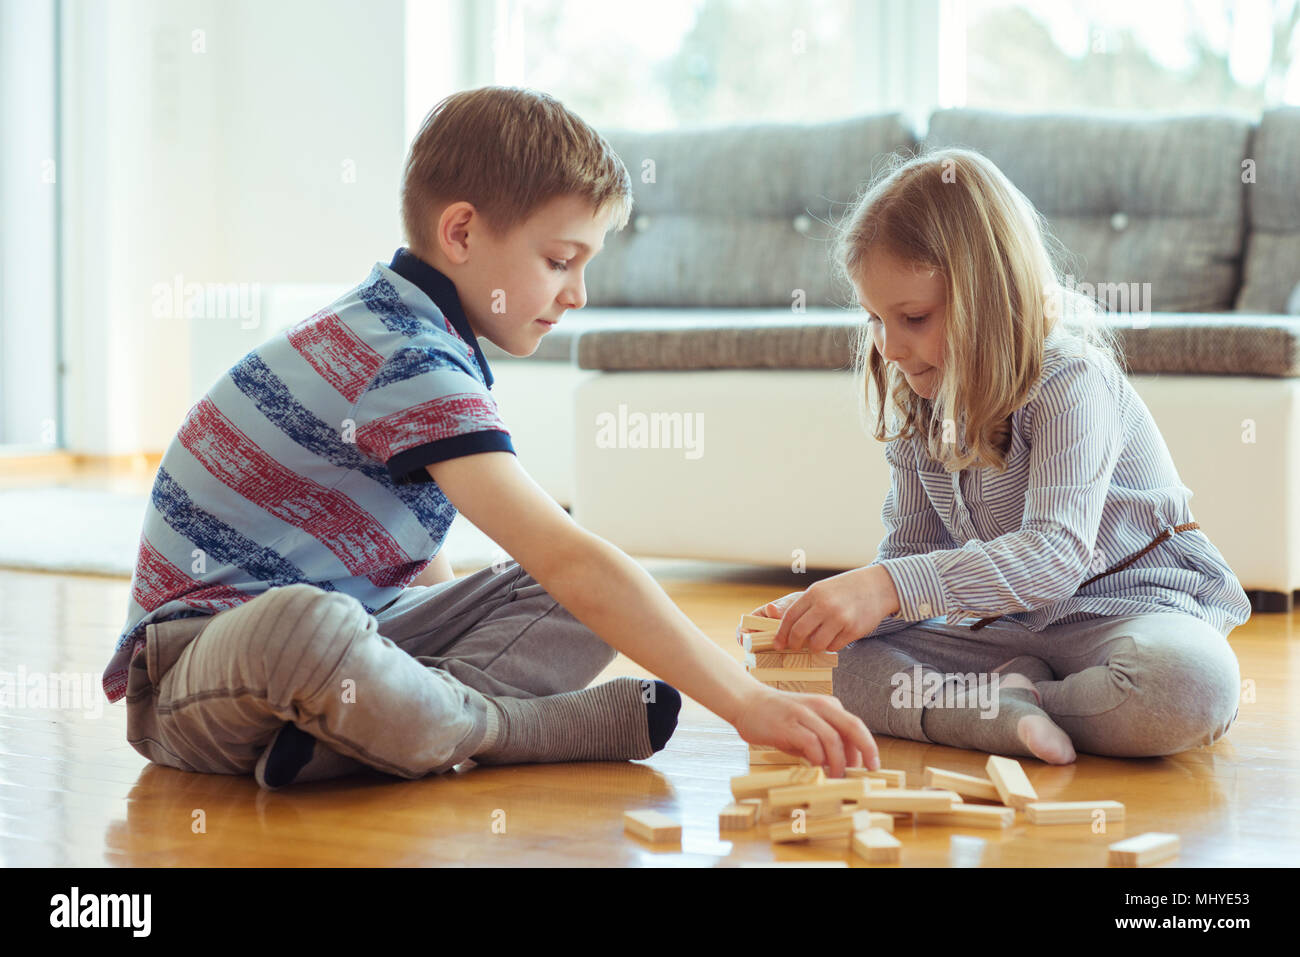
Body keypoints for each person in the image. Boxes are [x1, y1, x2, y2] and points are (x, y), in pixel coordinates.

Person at [103, 86, 876, 790]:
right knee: (311, 622)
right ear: (463, 232)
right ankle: (516, 730)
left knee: (571, 590)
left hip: (349, 650)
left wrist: (446, 640)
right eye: (560, 260)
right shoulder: (400, 349)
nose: (578, 294)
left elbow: (426, 546)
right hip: (195, 675)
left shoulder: (424, 333)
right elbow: (562, 556)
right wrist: (746, 701)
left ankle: (377, 731)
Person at [745, 147, 1251, 764]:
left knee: (1190, 685)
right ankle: (996, 714)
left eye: (913, 317)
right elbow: (911, 559)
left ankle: (1008, 701)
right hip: (1003, 630)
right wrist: (831, 614)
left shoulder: (1072, 381)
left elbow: (1057, 556)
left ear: (991, 295)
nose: (890, 347)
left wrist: (884, 588)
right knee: (815, 669)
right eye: (874, 318)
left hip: (1128, 613)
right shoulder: (920, 403)